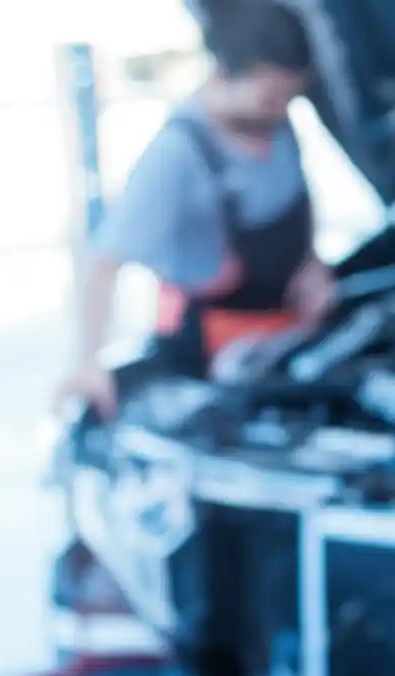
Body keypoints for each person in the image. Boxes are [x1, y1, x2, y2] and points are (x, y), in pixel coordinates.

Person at [57, 1, 334, 418]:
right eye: (271, 96)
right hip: (206, 359)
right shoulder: (177, 154)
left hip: (284, 339)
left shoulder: (277, 127)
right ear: (223, 72)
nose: (281, 108)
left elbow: (294, 202)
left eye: (291, 96)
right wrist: (88, 361)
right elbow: (102, 263)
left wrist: (311, 266)